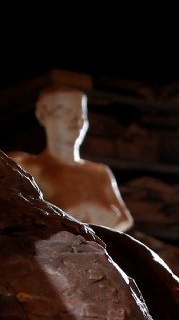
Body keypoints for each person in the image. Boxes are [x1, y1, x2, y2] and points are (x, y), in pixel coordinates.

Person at [10, 85, 136, 231]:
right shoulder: (25, 166)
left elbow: (125, 220)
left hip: (99, 251)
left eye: (81, 114)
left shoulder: (100, 172)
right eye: (65, 112)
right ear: (43, 114)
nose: (76, 121)